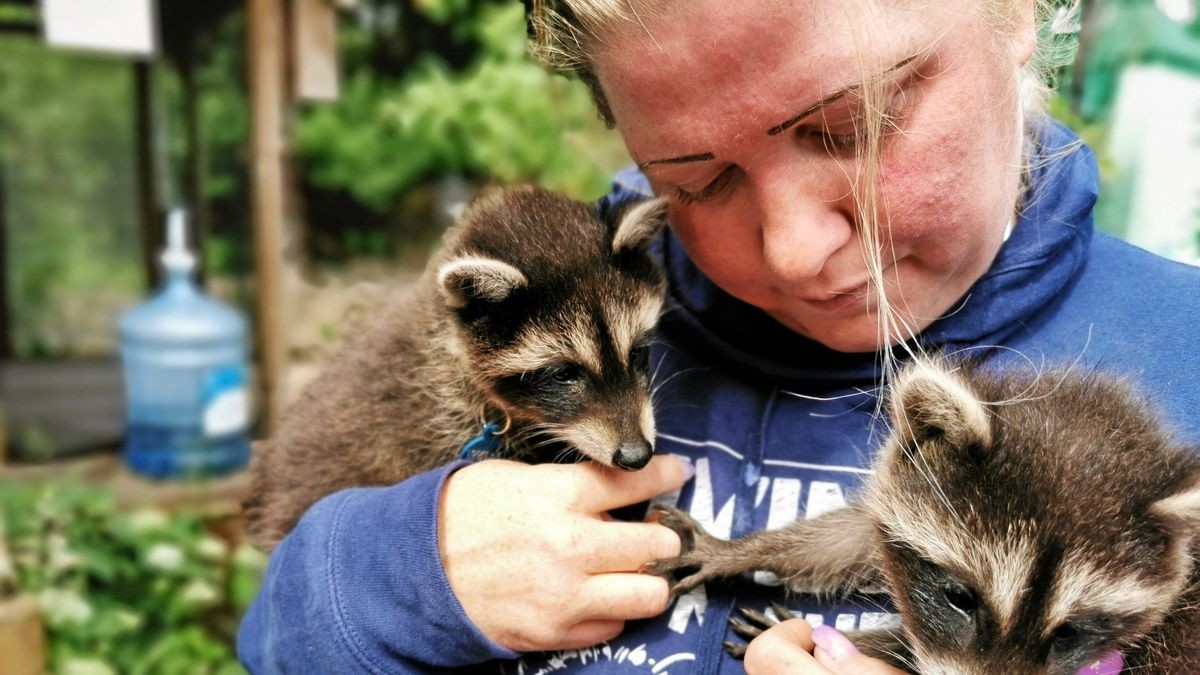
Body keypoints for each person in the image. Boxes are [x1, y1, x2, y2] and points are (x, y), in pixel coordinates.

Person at [237, 0, 1200, 673]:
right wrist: (416, 570)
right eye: (697, 181)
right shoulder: (587, 297)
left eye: (853, 124)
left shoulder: (1178, 363)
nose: (793, 250)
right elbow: (282, 632)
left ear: (1016, 10)